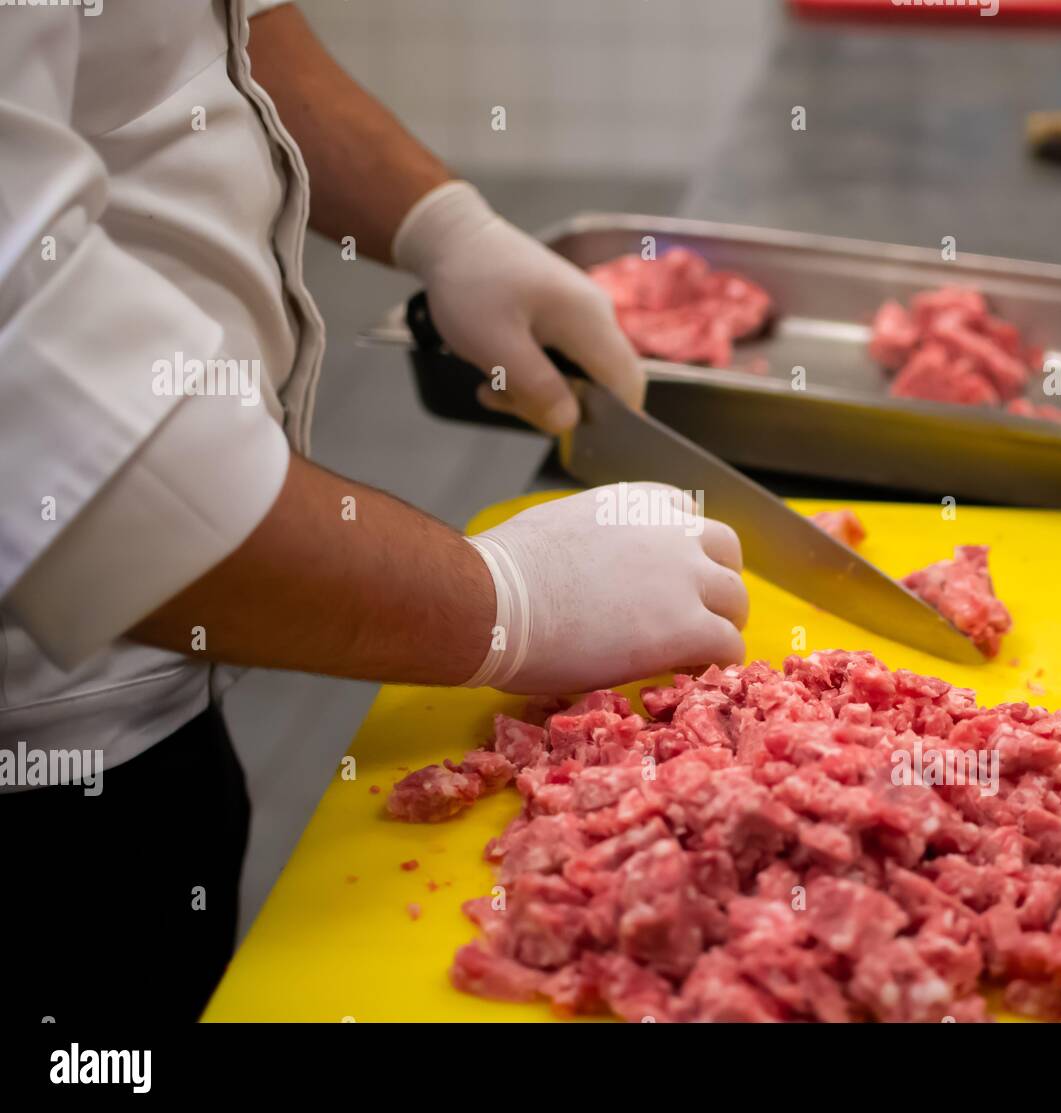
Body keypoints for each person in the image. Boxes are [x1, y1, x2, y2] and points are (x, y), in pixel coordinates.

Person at [0, 0, 748, 1021]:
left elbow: (214, 29)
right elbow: (68, 464)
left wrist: (442, 224)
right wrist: (511, 601)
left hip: (159, 699)